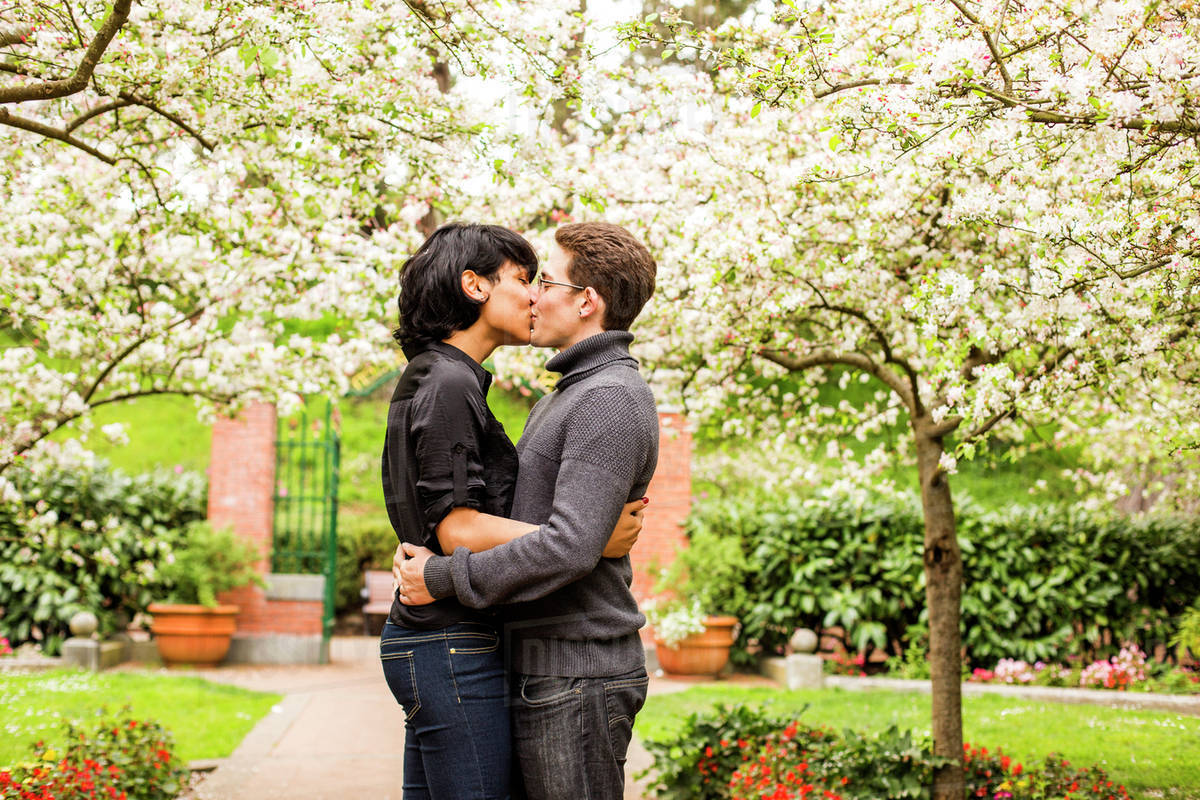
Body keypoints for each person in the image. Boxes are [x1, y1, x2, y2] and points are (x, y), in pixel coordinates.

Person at [379, 222, 645, 800]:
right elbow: (458, 526)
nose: (532, 294)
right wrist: (589, 540)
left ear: (586, 301)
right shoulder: (449, 381)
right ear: (473, 287)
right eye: (525, 279)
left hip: (545, 658)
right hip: (456, 639)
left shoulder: (595, 396)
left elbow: (528, 526)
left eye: (542, 279)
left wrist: (579, 538)